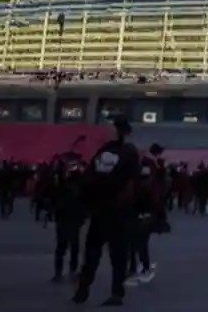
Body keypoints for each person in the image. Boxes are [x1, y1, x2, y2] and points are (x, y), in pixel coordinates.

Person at [74, 118, 140, 306]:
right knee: (92, 253)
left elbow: (131, 182)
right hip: (101, 209)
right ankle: (83, 288)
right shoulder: (104, 150)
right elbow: (90, 176)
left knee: (117, 254)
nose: (108, 130)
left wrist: (126, 203)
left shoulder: (129, 152)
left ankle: (116, 292)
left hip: (117, 211)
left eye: (112, 128)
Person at [52, 159, 88, 281]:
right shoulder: (80, 188)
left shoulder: (64, 186)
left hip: (66, 219)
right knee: (73, 247)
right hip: (72, 220)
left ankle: (60, 272)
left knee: (63, 247)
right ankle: (70, 271)